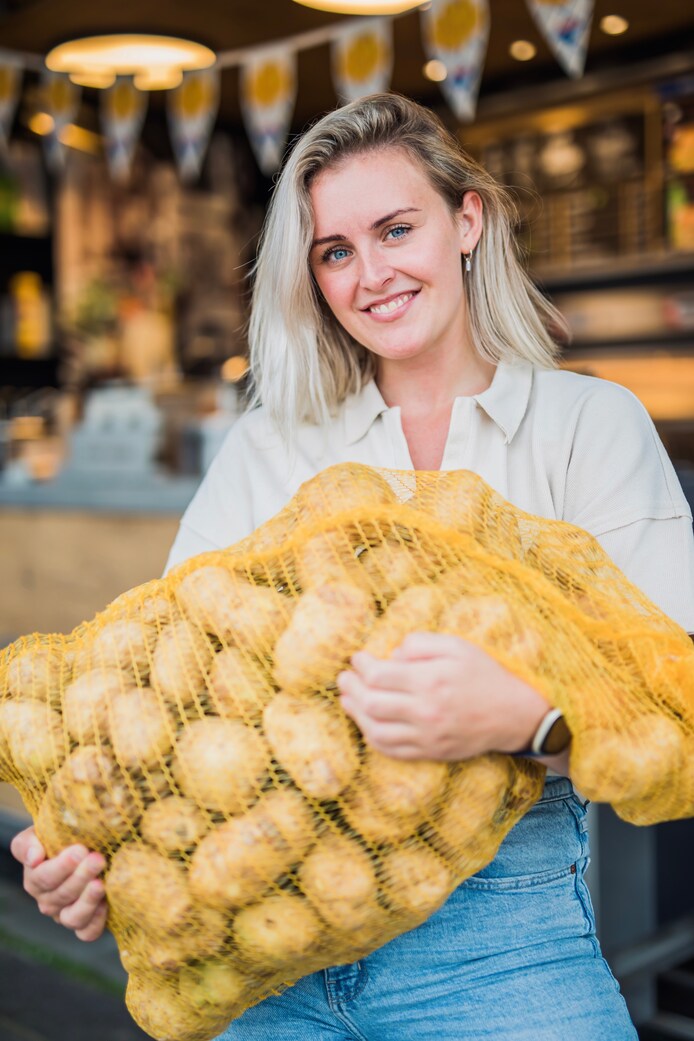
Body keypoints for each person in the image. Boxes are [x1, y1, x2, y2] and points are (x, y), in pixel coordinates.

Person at [11, 93, 694, 1040]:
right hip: (271, 950)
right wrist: (88, 857)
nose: (370, 273)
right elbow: (171, 705)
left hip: (499, 946)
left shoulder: (587, 425)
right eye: (335, 251)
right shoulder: (273, 445)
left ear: (467, 220)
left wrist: (531, 718)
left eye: (395, 229)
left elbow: (677, 705)